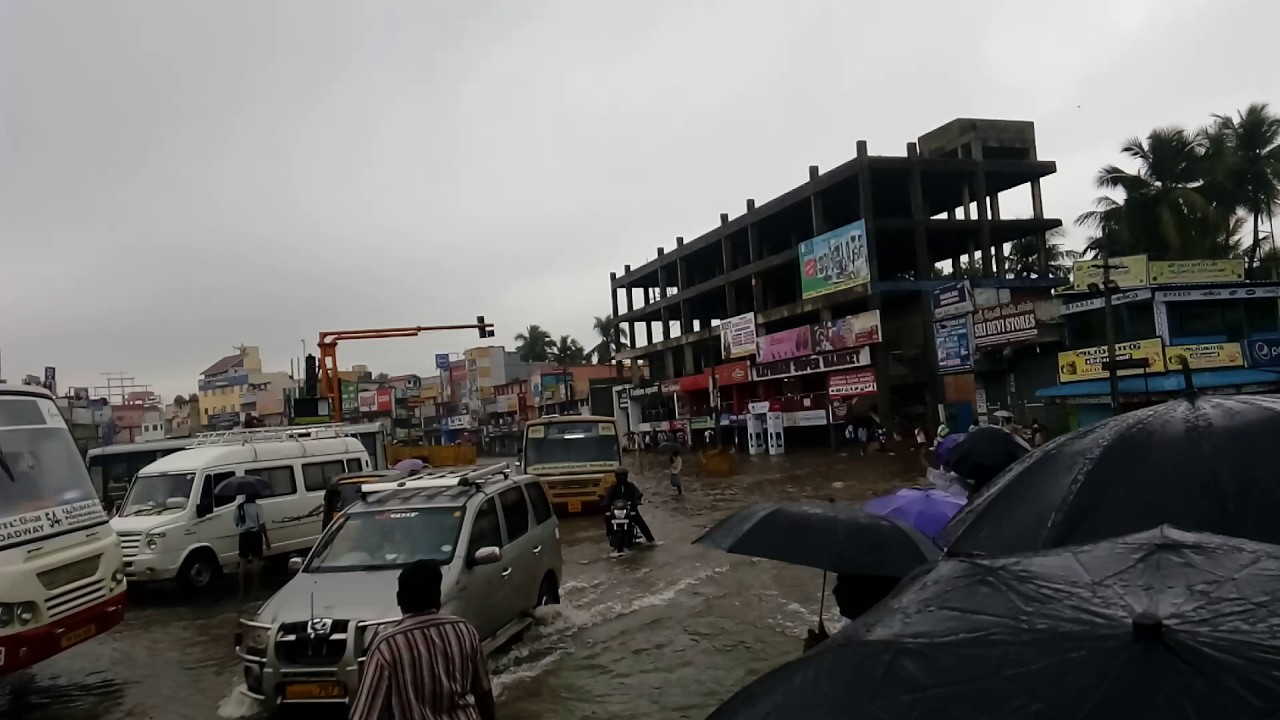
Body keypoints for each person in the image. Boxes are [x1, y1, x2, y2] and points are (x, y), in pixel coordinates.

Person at [348, 560, 496, 720]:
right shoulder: (464, 631)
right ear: (438, 597)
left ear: (399, 599)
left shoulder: (387, 646)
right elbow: (484, 695)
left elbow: (366, 714)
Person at [602, 468, 655, 544]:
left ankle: (651, 540)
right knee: (607, 517)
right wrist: (605, 502)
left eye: (623, 476)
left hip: (630, 509)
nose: (622, 478)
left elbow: (637, 494)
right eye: (620, 476)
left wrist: (637, 500)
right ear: (616, 476)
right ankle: (609, 534)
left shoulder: (631, 485)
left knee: (640, 522)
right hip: (616, 511)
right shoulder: (612, 487)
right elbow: (607, 497)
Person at [234, 494, 270, 598]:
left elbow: (236, 523)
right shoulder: (257, 507)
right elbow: (262, 524)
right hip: (255, 535)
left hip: (244, 535)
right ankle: (256, 589)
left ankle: (241, 592)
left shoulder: (239, 507)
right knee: (255, 562)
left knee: (242, 564)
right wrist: (267, 539)